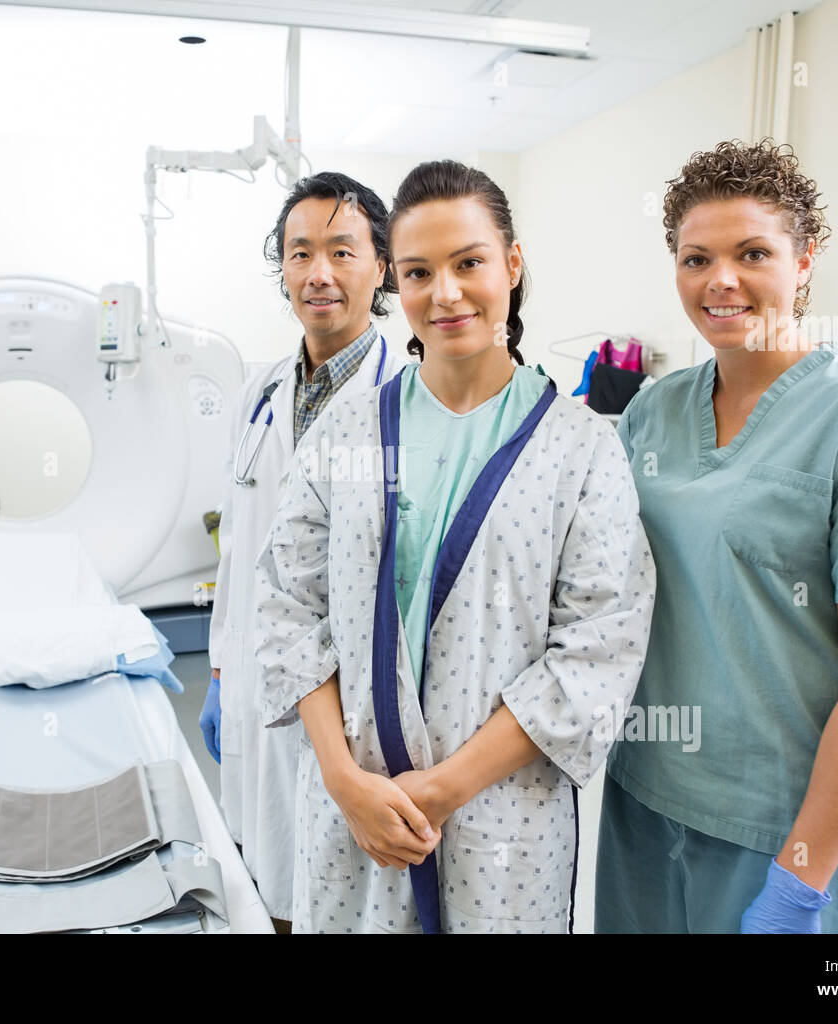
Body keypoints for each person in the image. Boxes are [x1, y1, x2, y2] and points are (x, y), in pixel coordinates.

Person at [254, 159, 655, 933]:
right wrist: (345, 782)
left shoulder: (581, 448)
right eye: (417, 272)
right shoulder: (349, 430)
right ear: (392, 285)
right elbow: (287, 603)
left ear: (511, 263)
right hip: (352, 806)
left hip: (500, 818)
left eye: (468, 263)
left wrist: (435, 793)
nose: (444, 294)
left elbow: (598, 648)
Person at [594, 139, 838, 933]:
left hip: (784, 830)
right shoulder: (653, 413)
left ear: (804, 261)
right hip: (644, 800)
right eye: (697, 259)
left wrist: (800, 883)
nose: (720, 280)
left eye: (753, 252)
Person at [200, 171, 406, 929]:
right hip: (253, 683)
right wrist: (221, 667)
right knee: (262, 876)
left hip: (345, 711)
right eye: (299, 253)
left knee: (336, 897)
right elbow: (237, 551)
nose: (319, 273)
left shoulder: (403, 403)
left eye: (342, 252)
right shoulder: (257, 394)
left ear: (380, 266)